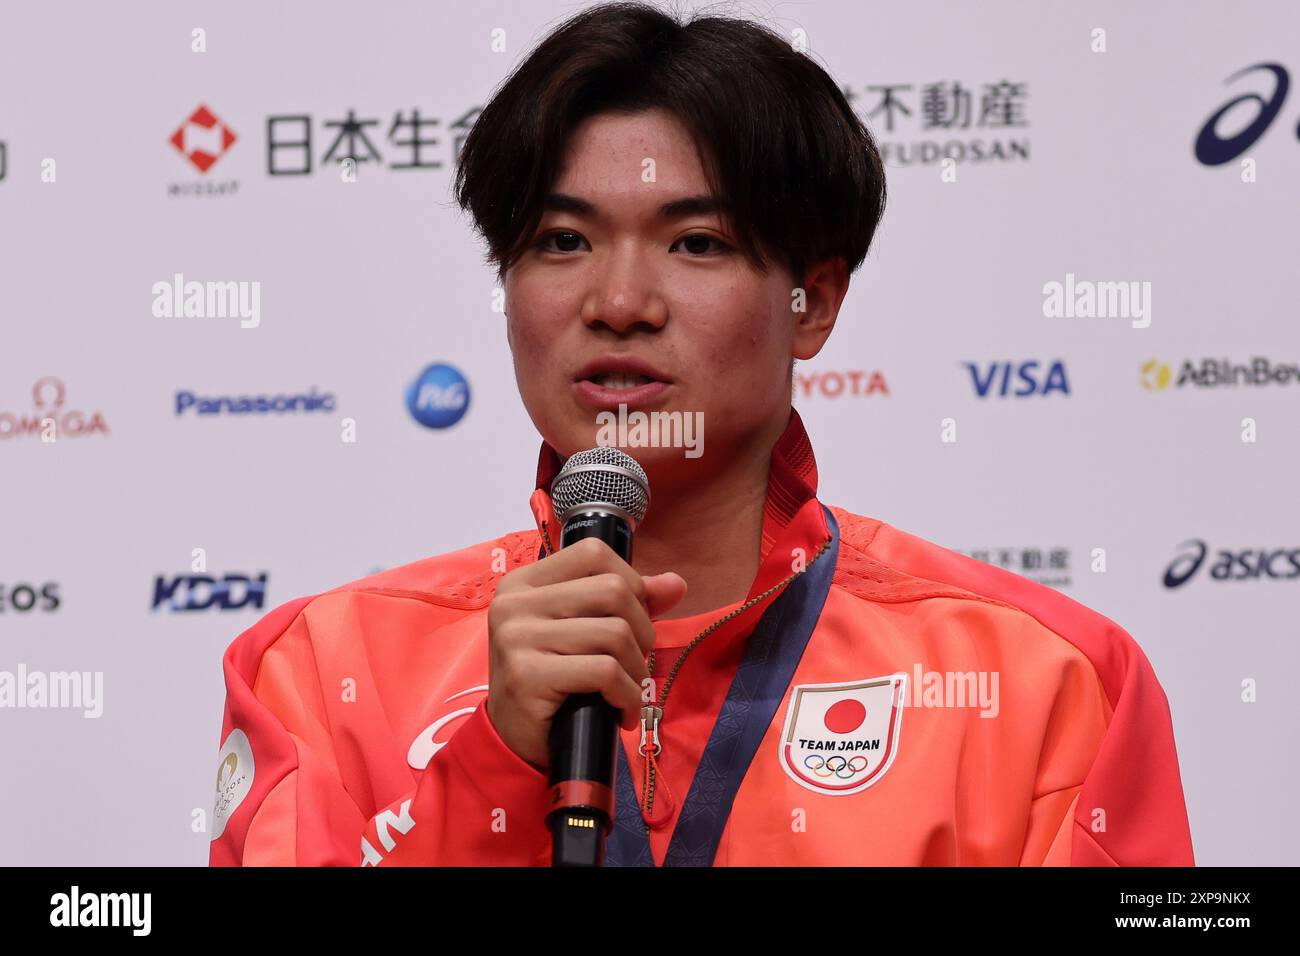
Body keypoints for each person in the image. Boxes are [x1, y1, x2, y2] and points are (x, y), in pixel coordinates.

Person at [208, 1, 1193, 867]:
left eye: (695, 243)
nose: (620, 301)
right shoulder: (324, 670)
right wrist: (495, 766)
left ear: (813, 301)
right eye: (562, 241)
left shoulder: (1040, 683)